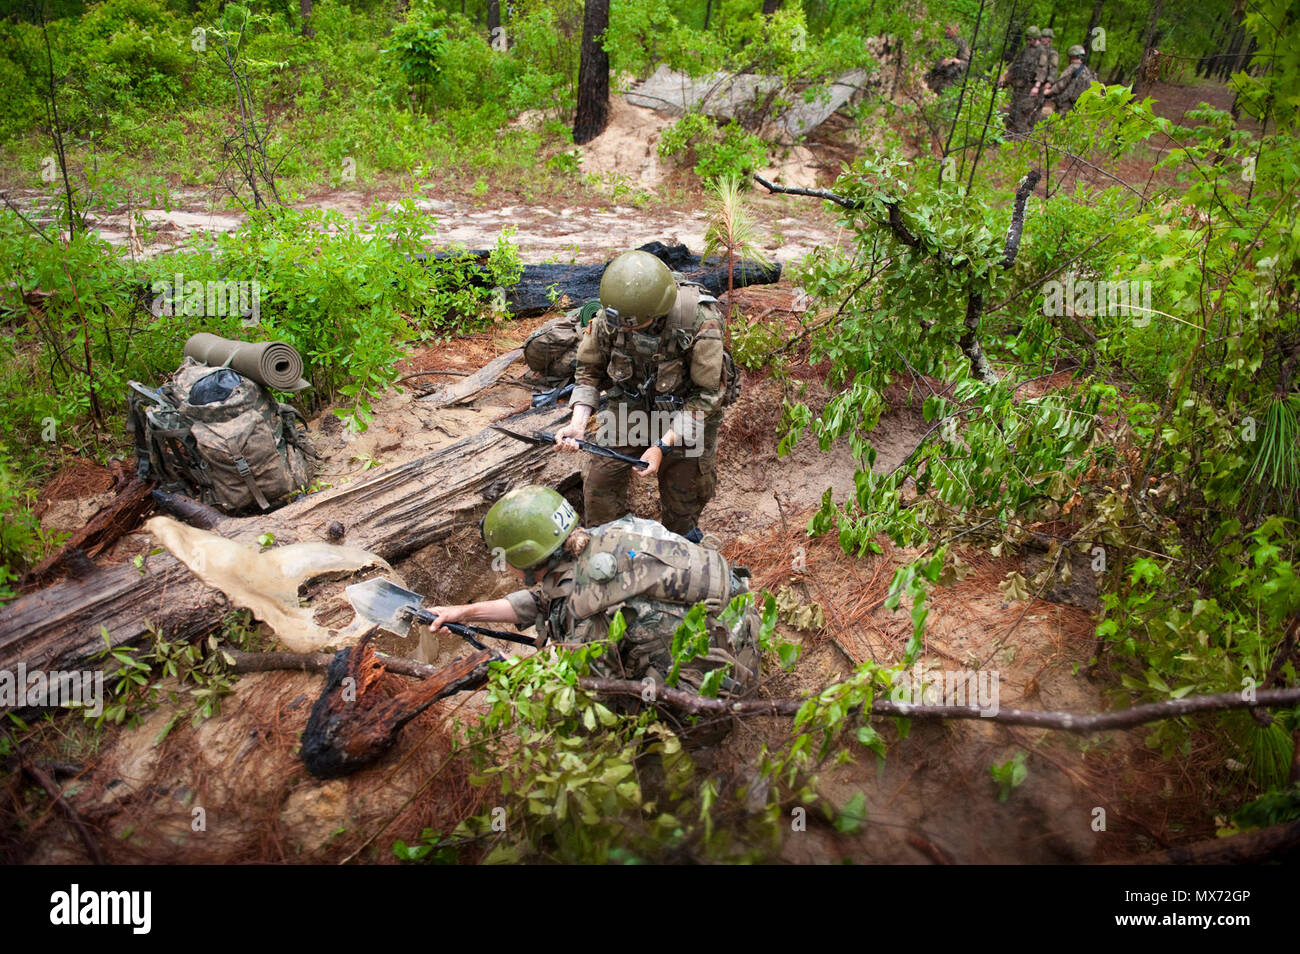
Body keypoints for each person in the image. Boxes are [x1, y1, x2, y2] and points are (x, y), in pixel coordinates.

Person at [424, 485, 761, 696]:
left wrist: (511, 674)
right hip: (739, 626)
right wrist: (463, 613)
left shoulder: (585, 615)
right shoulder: (606, 535)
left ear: (526, 557)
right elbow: (544, 598)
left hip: (722, 685)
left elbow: (599, 690)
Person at [553, 249, 730, 541]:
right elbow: (589, 370)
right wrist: (578, 423)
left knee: (682, 504)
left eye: (633, 324)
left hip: (686, 415)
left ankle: (681, 551)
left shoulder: (699, 320)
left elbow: (708, 396)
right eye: (620, 322)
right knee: (599, 489)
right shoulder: (611, 316)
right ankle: (611, 549)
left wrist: (661, 445)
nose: (624, 328)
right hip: (629, 408)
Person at [1002, 25, 1044, 134]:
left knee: (1023, 110)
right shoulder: (1026, 49)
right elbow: (1015, 63)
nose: (1028, 41)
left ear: (1036, 39)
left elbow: (1042, 69)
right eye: (1027, 39)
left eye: (1030, 39)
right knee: (1013, 109)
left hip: (1029, 86)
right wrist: (1006, 75)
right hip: (1018, 85)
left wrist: (1036, 86)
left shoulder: (1042, 51)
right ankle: (1009, 131)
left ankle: (1017, 135)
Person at [1047, 45, 1095, 115]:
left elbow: (1061, 84)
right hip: (1078, 104)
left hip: (1066, 103)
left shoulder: (1072, 68)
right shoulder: (1086, 70)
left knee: (1057, 122)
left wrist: (1049, 91)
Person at [925, 23, 970, 94]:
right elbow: (925, 56)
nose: (946, 31)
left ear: (956, 29)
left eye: (949, 29)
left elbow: (966, 63)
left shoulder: (961, 43)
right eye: (945, 28)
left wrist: (954, 61)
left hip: (948, 80)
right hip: (931, 76)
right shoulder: (937, 41)